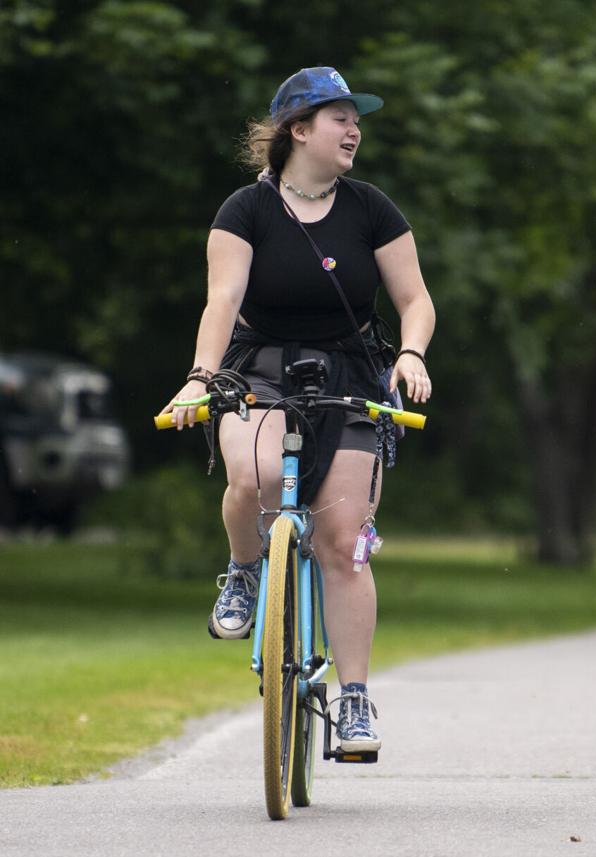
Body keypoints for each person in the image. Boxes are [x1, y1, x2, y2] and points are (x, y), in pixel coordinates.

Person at [160, 67, 435, 753]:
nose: (354, 130)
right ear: (299, 130)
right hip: (258, 366)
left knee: (343, 542)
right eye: (341, 118)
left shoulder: (372, 208)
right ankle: (244, 570)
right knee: (252, 479)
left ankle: (355, 702)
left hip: (352, 371)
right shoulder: (244, 211)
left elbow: (415, 299)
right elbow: (223, 300)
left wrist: (411, 354)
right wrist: (199, 378)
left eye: (356, 120)